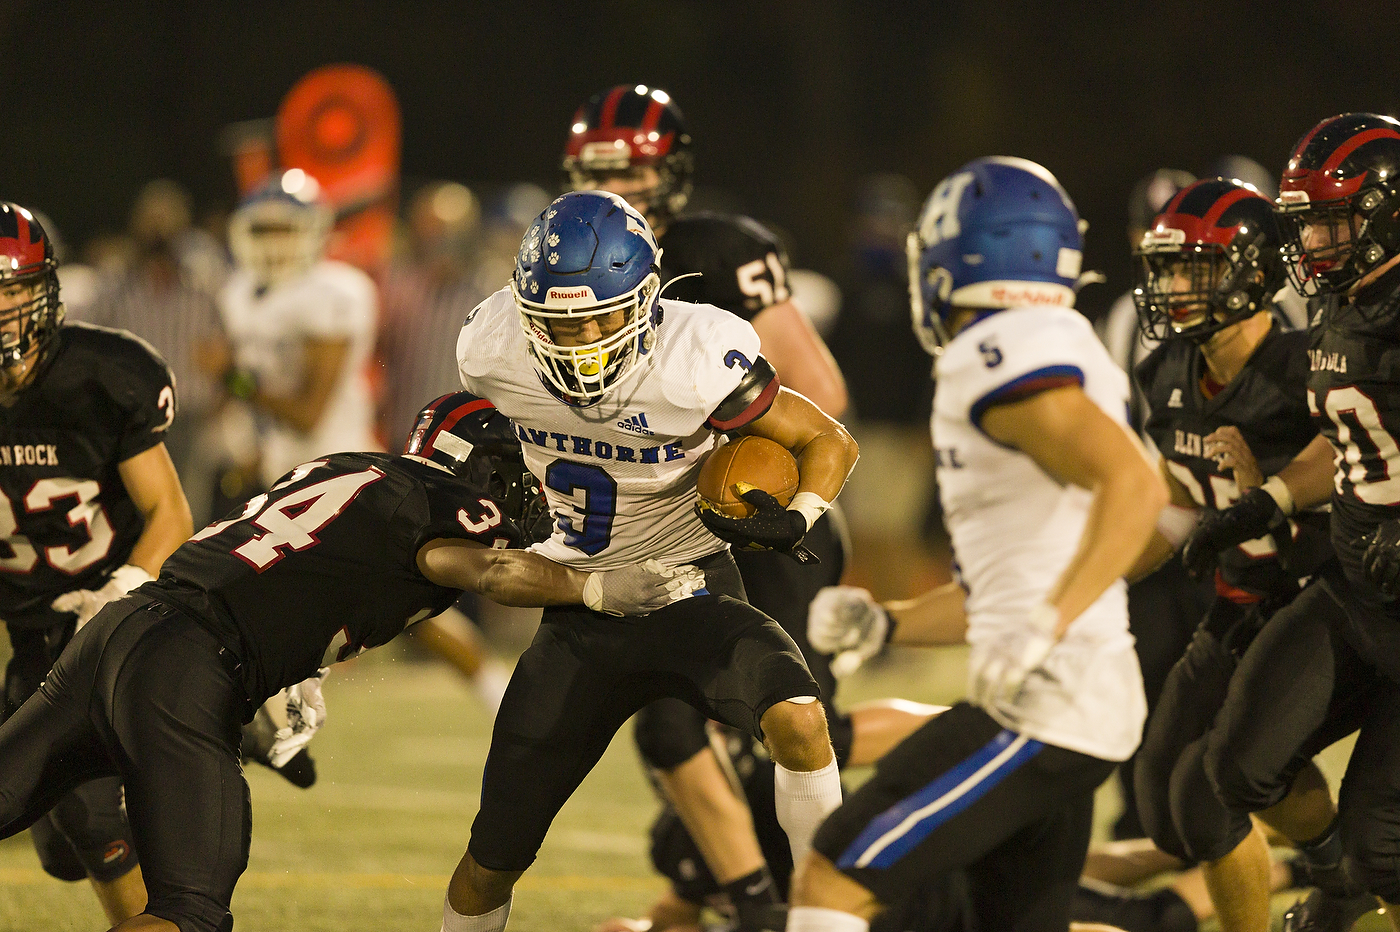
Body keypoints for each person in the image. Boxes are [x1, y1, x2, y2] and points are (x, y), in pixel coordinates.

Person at [0, 390, 701, 932]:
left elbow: (286, 561)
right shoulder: (445, 503)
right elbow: (481, 570)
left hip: (115, 633)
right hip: (188, 664)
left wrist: (299, 662)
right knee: (191, 911)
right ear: (484, 470)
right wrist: (596, 587)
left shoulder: (348, 468)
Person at [449, 190, 858, 932]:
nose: (582, 342)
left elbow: (829, 438)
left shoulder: (694, 359)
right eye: (559, 323)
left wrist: (797, 516)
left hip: (693, 587)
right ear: (524, 311)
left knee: (801, 722)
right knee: (491, 859)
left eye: (602, 317)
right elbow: (466, 429)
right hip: (580, 612)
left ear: (647, 300)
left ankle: (822, 917)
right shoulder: (493, 350)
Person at [782, 157, 1166, 932]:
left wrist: (1047, 623)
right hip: (1072, 704)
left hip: (1046, 707)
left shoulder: (998, 349)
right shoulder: (1056, 339)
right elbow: (1030, 577)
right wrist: (891, 624)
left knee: (833, 876)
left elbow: (1138, 488)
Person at [563, 82, 853, 931]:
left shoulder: (722, 248)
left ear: (674, 170)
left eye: (630, 169)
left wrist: (734, 464)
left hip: (760, 519)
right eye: (594, 170)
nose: (616, 187)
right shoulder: (576, 261)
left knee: (789, 726)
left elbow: (822, 393)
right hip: (664, 532)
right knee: (667, 727)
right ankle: (756, 908)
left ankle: (814, 904)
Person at [1116, 177, 1363, 932]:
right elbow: (1176, 509)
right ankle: (1332, 869)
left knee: (1213, 794)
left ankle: (1334, 880)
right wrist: (1096, 582)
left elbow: (1358, 479)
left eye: (1196, 268)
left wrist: (1273, 492)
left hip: (1316, 603)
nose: (1175, 287)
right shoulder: (1164, 375)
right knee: (1162, 809)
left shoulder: (1306, 368)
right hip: (1233, 603)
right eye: (1168, 269)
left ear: (1253, 271)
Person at [1192, 111, 1400, 932]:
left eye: (1333, 217)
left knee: (1385, 848)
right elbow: (1347, 433)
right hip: (1354, 589)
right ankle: (1343, 886)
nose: (1314, 237)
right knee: (1241, 767)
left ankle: (1360, 882)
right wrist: (1270, 499)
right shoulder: (1347, 302)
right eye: (1308, 217)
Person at [0, 202, 194, 925]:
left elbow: (169, 514)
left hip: (111, 627)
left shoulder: (102, 374)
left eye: (12, 289)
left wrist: (118, 594)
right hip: (31, 640)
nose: (0, 309)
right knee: (56, 844)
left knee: (94, 819)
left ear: (44, 291)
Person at [210, 168, 380, 494]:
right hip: (270, 466)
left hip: (333, 468)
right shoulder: (237, 290)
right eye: (262, 229)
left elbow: (307, 415)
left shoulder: (337, 291)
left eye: (285, 229)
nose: (273, 241)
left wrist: (230, 378)